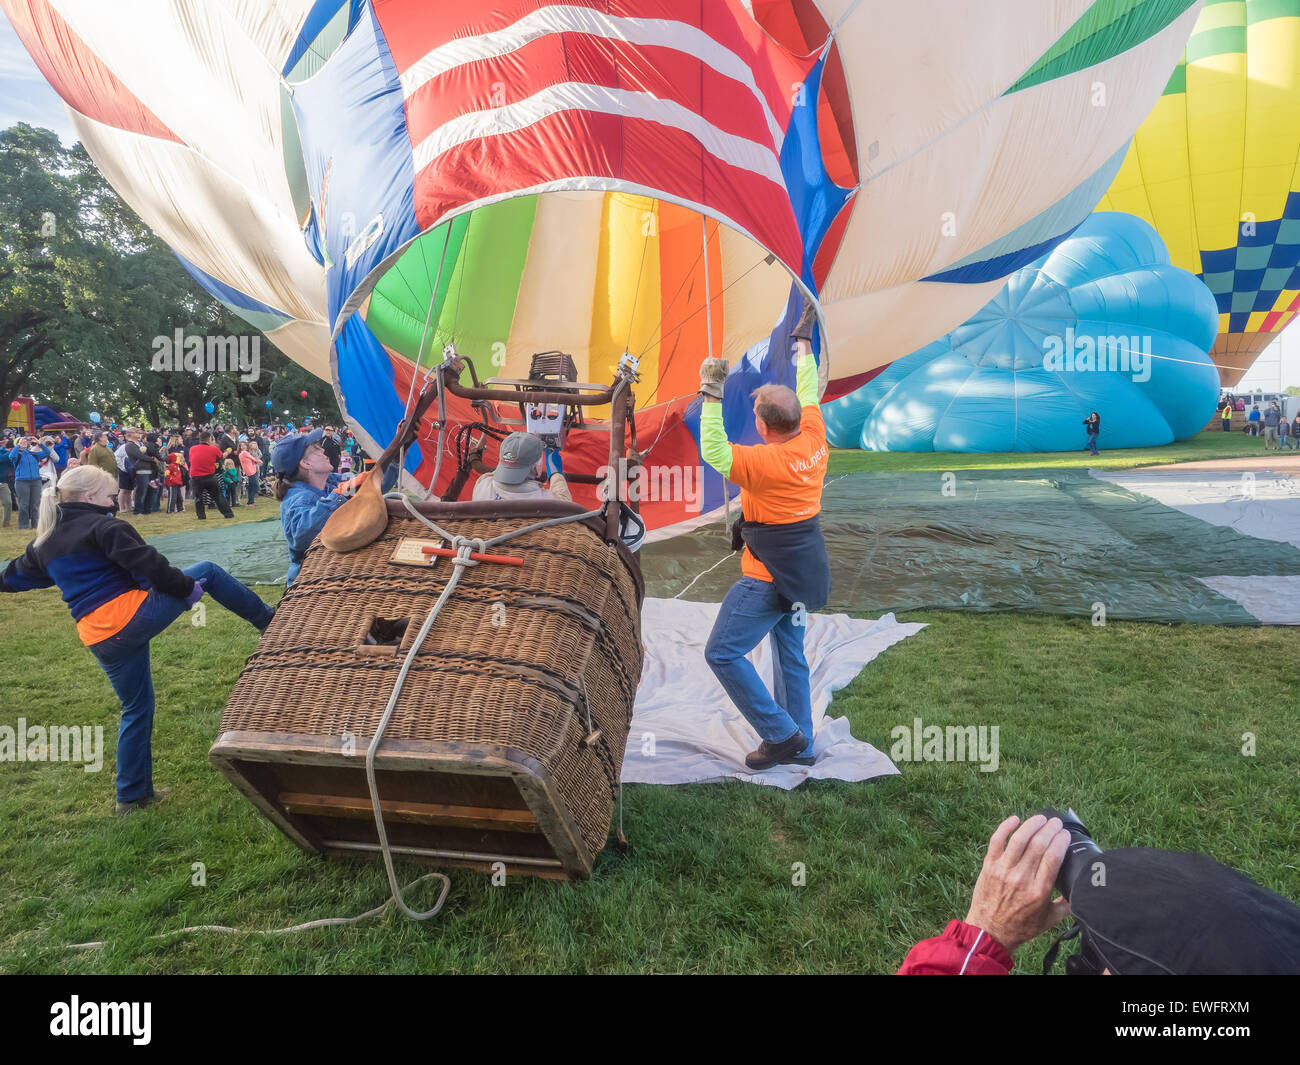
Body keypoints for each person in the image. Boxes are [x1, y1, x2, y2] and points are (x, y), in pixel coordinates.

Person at [0, 466, 274, 813]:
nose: (115, 499)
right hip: (129, 618)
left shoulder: (45, 541)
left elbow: (12, 578)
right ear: (89, 497)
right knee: (208, 570)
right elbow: (150, 565)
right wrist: (186, 588)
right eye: (110, 494)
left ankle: (131, 798)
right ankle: (270, 622)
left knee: (136, 708)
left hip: (98, 637)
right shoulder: (106, 526)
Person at [698, 299, 831, 771]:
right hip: (803, 572)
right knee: (789, 655)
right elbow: (809, 390)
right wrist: (802, 346)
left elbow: (714, 450)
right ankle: (805, 742)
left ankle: (782, 736)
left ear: (761, 426)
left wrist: (712, 392)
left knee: (722, 652)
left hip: (766, 577)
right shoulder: (815, 439)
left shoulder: (761, 465)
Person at [273, 428, 368, 584]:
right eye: (316, 449)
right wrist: (340, 495)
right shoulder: (297, 498)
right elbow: (303, 535)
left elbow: (371, 483)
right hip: (310, 584)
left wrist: (397, 450)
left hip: (332, 574)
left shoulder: (330, 481)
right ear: (305, 463)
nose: (323, 449)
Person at [471, 432, 571, 502]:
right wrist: (555, 472)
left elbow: (491, 475)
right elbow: (564, 500)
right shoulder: (545, 500)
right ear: (536, 469)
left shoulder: (482, 486)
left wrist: (510, 463)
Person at [188, 431, 233, 519]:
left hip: (196, 477)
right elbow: (221, 456)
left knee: (198, 498)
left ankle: (201, 516)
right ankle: (228, 514)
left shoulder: (192, 449)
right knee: (218, 496)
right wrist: (228, 451)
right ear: (209, 440)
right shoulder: (213, 449)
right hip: (209, 476)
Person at [9, 435, 50, 530]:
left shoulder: (33, 454)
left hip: (36, 481)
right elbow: (11, 457)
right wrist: (18, 446)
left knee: (35, 504)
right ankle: (23, 526)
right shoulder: (17, 454)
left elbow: (47, 452)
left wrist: (39, 443)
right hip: (22, 482)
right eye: (21, 441)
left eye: (25, 441)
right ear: (17, 444)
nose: (24, 442)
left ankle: (36, 525)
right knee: (24, 504)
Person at [237, 441, 261, 506]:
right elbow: (254, 459)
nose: (243, 446)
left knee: (251, 487)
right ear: (240, 447)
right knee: (256, 487)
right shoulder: (243, 453)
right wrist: (259, 461)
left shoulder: (247, 452)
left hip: (252, 471)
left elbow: (255, 457)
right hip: (250, 472)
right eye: (241, 446)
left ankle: (250, 502)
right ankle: (251, 502)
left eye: (244, 445)